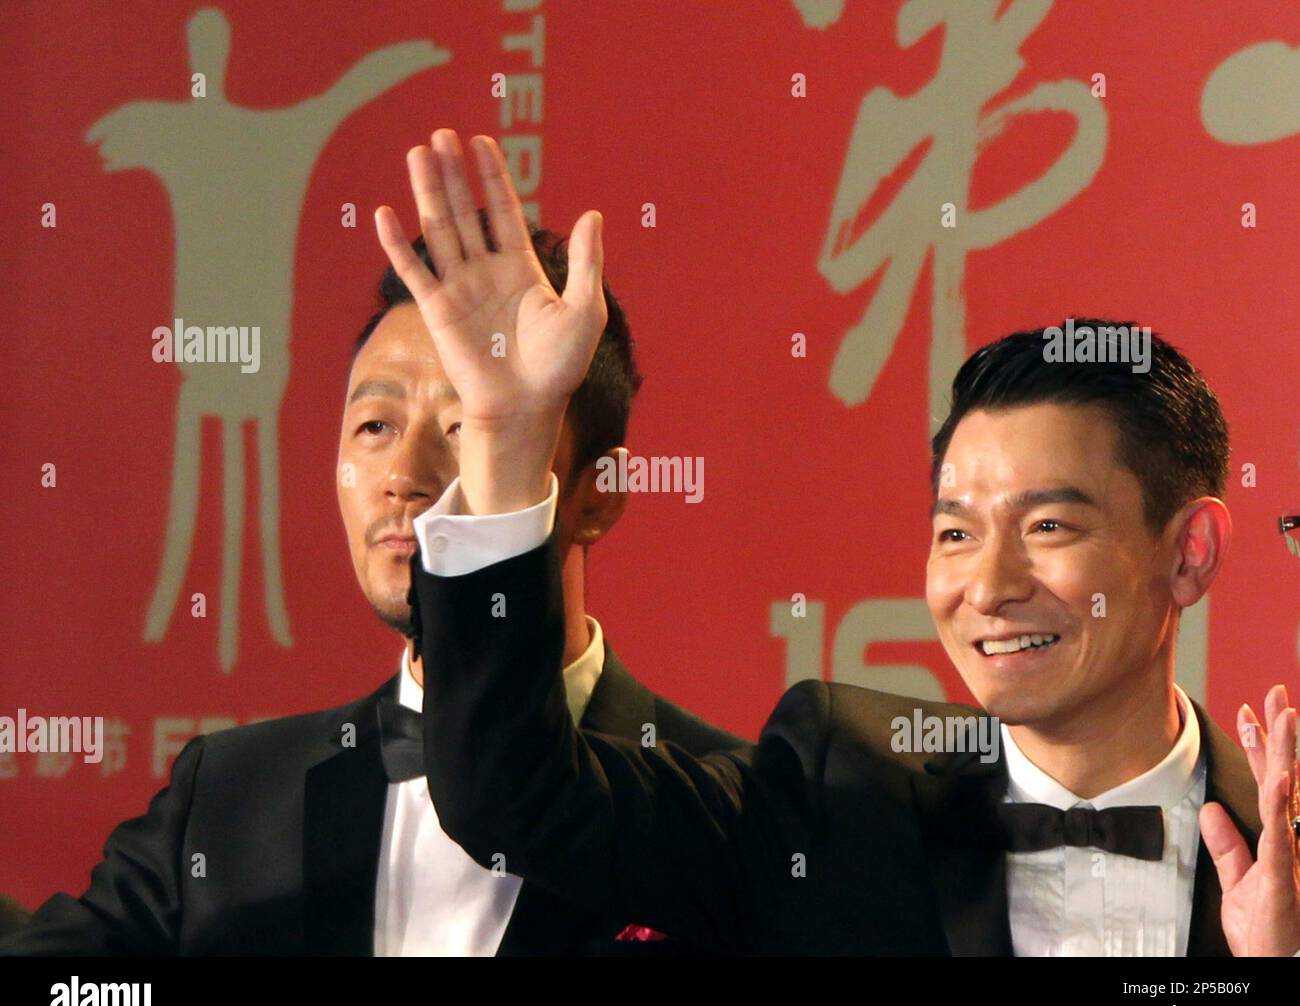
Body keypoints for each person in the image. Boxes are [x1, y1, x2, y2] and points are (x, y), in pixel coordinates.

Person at [394, 129, 1300, 956]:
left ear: (1190, 552)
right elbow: (515, 798)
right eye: (956, 531)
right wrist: (509, 434)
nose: (988, 585)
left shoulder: (1286, 852)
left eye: (1048, 526)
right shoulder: (839, 802)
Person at [0, 142, 743, 955]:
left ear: (598, 495)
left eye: (468, 429)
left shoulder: (733, 809)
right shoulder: (229, 799)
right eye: (376, 426)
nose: (403, 477)